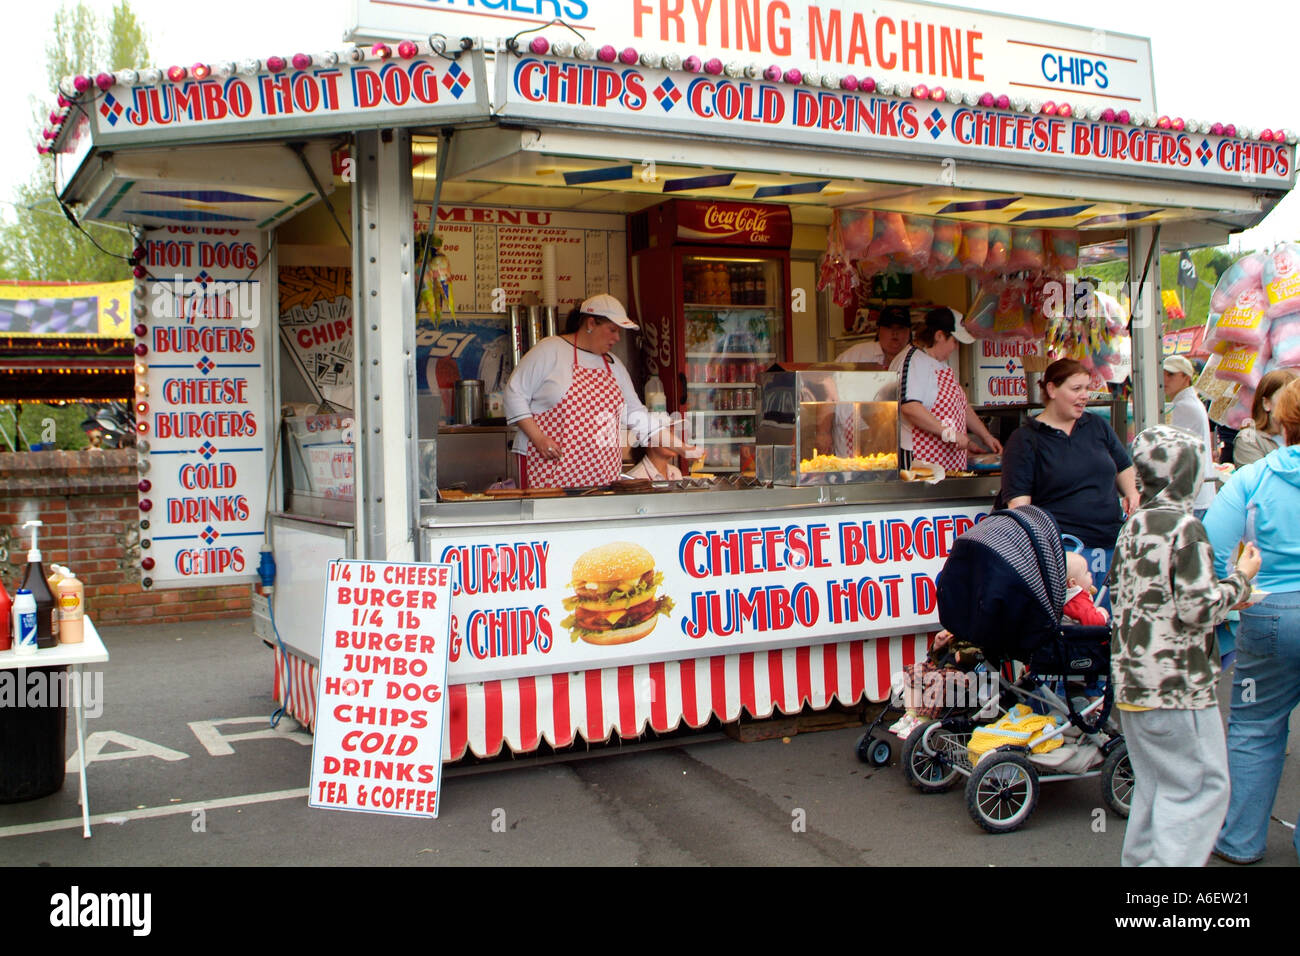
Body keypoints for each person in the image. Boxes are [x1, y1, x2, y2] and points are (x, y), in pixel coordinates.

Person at [1108, 425, 1260, 868]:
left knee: (1156, 786)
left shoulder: (1133, 525)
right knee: (1200, 786)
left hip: (1133, 683)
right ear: (1187, 474)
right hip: (1177, 684)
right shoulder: (1185, 527)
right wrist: (1242, 580)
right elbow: (1199, 608)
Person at [1203, 376, 1300, 865]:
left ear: (1282, 421)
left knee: (1255, 726)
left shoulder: (1252, 476)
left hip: (1268, 614)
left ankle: (1240, 840)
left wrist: (1234, 600)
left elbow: (1212, 543)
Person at [1000, 358, 1139, 599]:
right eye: (1076, 389)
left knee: (1110, 621)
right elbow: (1019, 506)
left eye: (1087, 388)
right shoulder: (1025, 440)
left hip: (1109, 545)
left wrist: (1132, 494)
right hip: (1065, 552)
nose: (1084, 396)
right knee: (1078, 625)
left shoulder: (1097, 426)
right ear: (1052, 389)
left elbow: (1123, 465)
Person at [505, 294, 652, 489]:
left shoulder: (614, 365)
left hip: (600, 471)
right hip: (546, 463)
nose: (617, 338)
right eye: (612, 330)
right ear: (591, 323)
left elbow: (634, 412)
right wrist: (539, 439)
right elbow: (514, 393)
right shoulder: (550, 350)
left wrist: (667, 438)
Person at [890, 307, 1001, 470]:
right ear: (939, 336)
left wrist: (984, 436)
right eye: (954, 341)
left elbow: (961, 406)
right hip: (919, 459)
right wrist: (950, 434)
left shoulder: (940, 364)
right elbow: (910, 407)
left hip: (945, 459)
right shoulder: (913, 361)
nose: (955, 347)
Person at [1163, 354, 1216, 516]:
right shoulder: (1188, 403)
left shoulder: (1185, 406)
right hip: (1197, 493)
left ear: (1186, 377)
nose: (1165, 379)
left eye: (1171, 375)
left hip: (1192, 495)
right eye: (1163, 373)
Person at [1232, 367, 1297, 468]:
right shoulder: (1250, 439)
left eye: (1294, 400)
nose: (1290, 406)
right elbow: (1255, 480)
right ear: (1266, 403)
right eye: (1284, 400)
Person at [836, 304, 912, 366]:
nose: (895, 333)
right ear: (878, 330)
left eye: (900, 328)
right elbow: (829, 378)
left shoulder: (917, 359)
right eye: (889, 327)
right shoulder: (857, 354)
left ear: (909, 332)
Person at [1062, 551, 1108, 625]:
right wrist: (1103, 615)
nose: (1090, 574)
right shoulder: (1078, 601)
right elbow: (1093, 622)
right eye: (1086, 572)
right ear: (1073, 583)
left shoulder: (1062, 596)